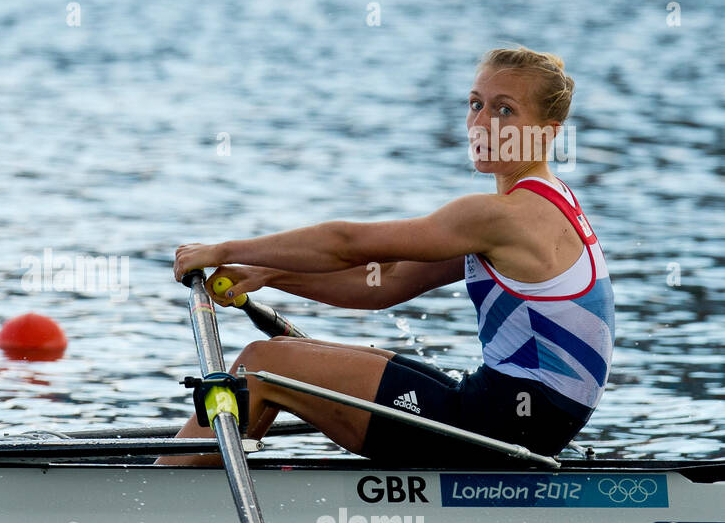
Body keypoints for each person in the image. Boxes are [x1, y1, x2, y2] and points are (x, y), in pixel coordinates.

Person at [166, 46, 613, 464]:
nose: (482, 123)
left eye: (505, 110)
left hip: (508, 425)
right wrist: (268, 274)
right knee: (282, 357)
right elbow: (386, 282)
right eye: (476, 104)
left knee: (264, 366)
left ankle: (156, 497)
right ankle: (208, 486)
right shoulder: (547, 203)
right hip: (524, 418)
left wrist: (224, 249)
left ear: (547, 133)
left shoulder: (505, 215)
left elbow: (347, 244)